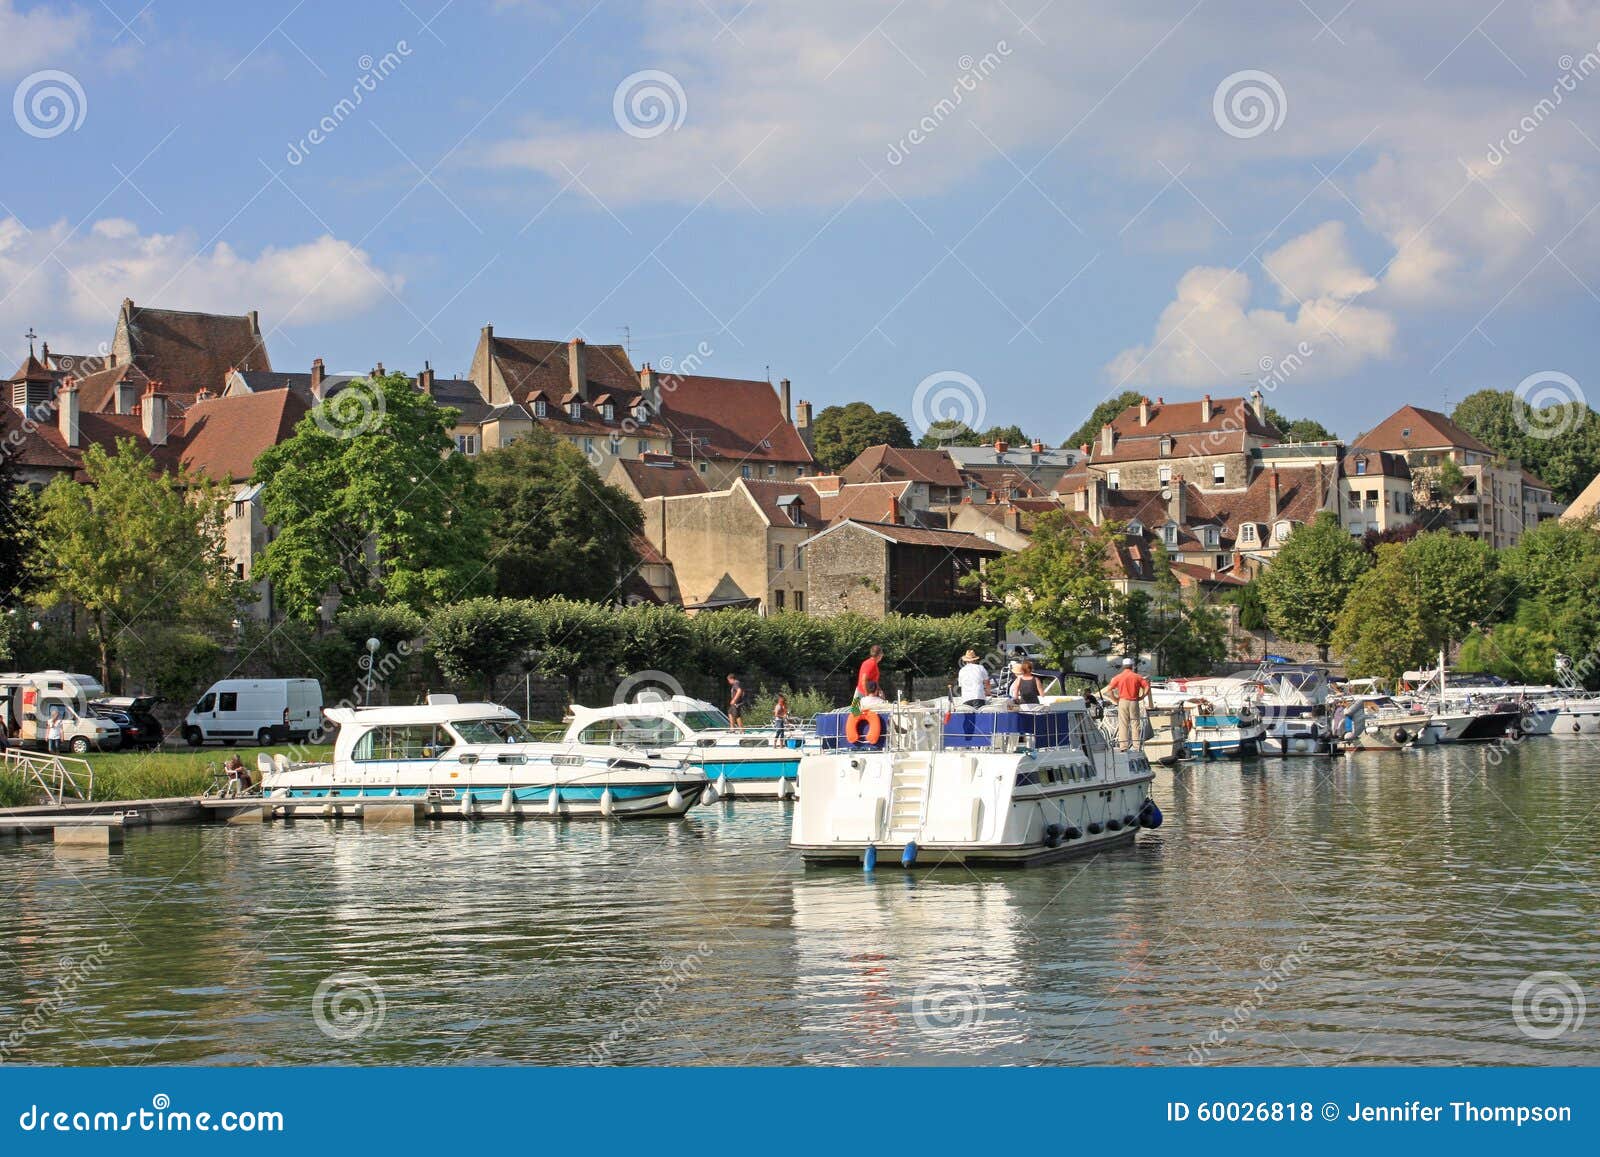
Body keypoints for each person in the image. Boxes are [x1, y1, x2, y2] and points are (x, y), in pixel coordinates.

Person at [1104, 658, 1151, 752]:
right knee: (1135, 724)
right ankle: (1136, 746)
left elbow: (1108, 691)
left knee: (1123, 724)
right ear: (1132, 666)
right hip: (1134, 701)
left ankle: (1124, 747)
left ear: (1123, 666)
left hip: (1122, 701)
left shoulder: (1118, 677)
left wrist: (1115, 700)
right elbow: (1147, 686)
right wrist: (1142, 696)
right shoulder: (1137, 677)